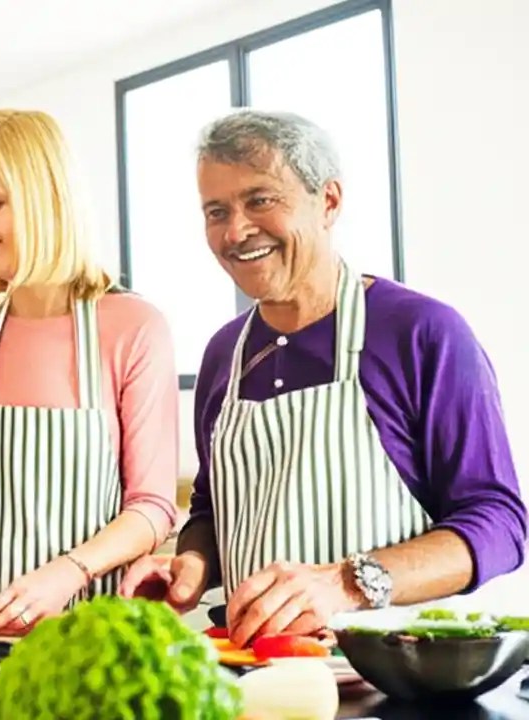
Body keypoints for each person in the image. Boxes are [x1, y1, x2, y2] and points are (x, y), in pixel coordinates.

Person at [120, 109, 526, 648]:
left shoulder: (422, 332)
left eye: (260, 200)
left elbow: (499, 522)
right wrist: (191, 563)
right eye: (216, 211)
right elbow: (213, 510)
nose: (236, 231)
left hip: (399, 676)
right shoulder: (224, 353)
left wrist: (346, 584)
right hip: (259, 676)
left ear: (328, 201)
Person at [0, 109, 179, 651]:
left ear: (48, 197)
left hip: (100, 637)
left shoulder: (133, 327)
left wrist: (69, 572)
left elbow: (152, 508)